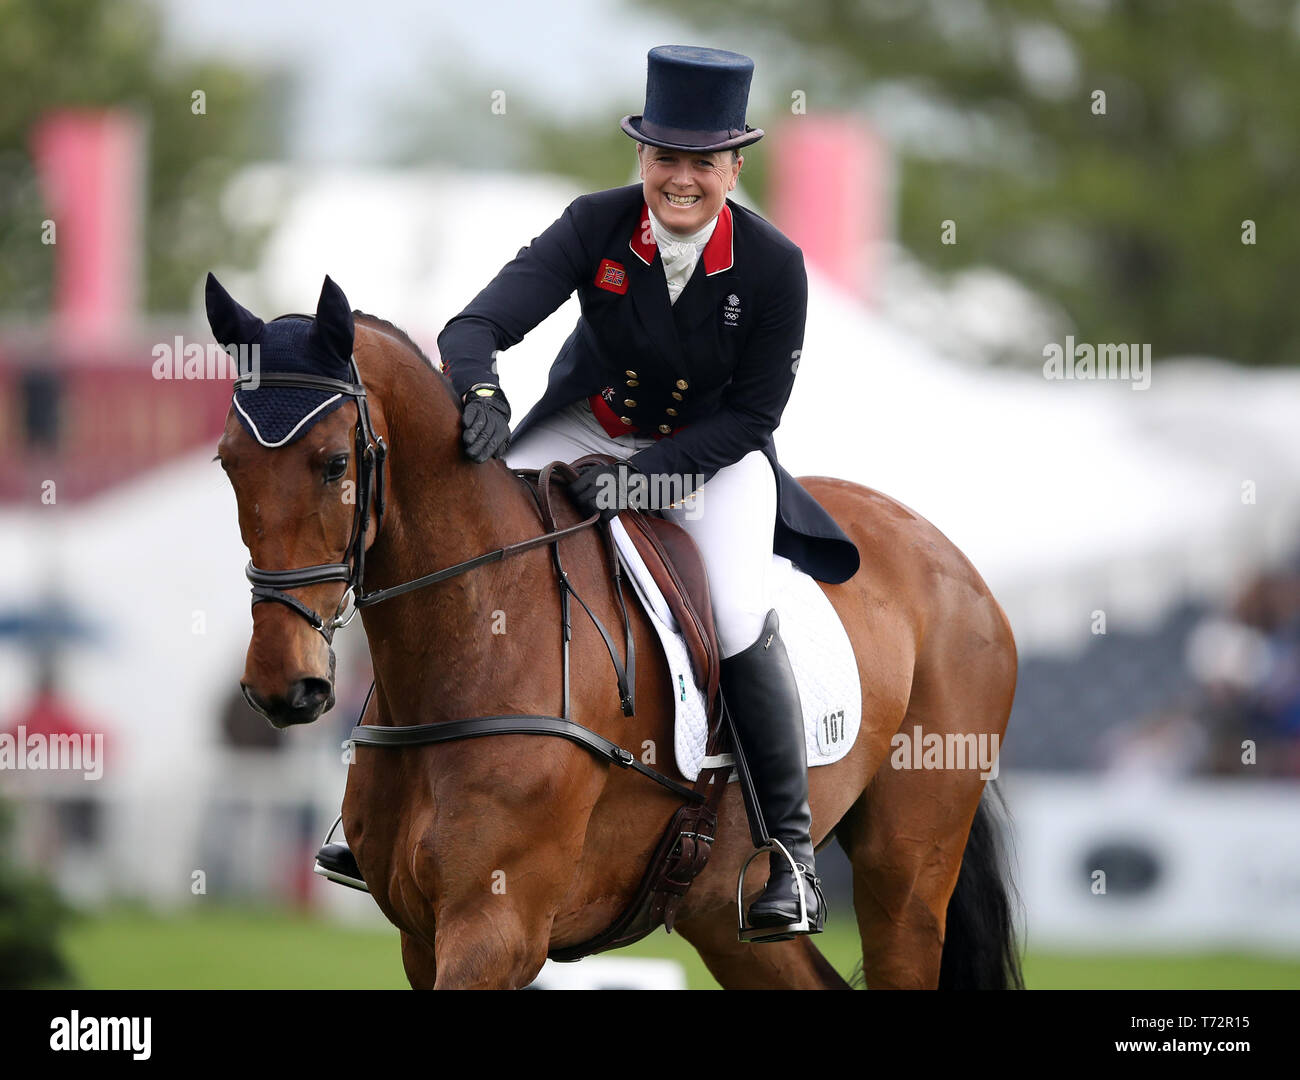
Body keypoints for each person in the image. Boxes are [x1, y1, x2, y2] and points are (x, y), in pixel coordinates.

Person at [440, 45, 860, 938]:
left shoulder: (775, 264)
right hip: (586, 425)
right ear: (642, 159)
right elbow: (474, 324)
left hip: (712, 456)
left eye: (701, 163)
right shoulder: (595, 224)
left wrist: (639, 482)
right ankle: (380, 796)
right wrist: (479, 392)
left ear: (733, 168)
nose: (680, 179)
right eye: (665, 159)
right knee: (469, 544)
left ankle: (788, 852)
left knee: (739, 613)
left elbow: (752, 416)